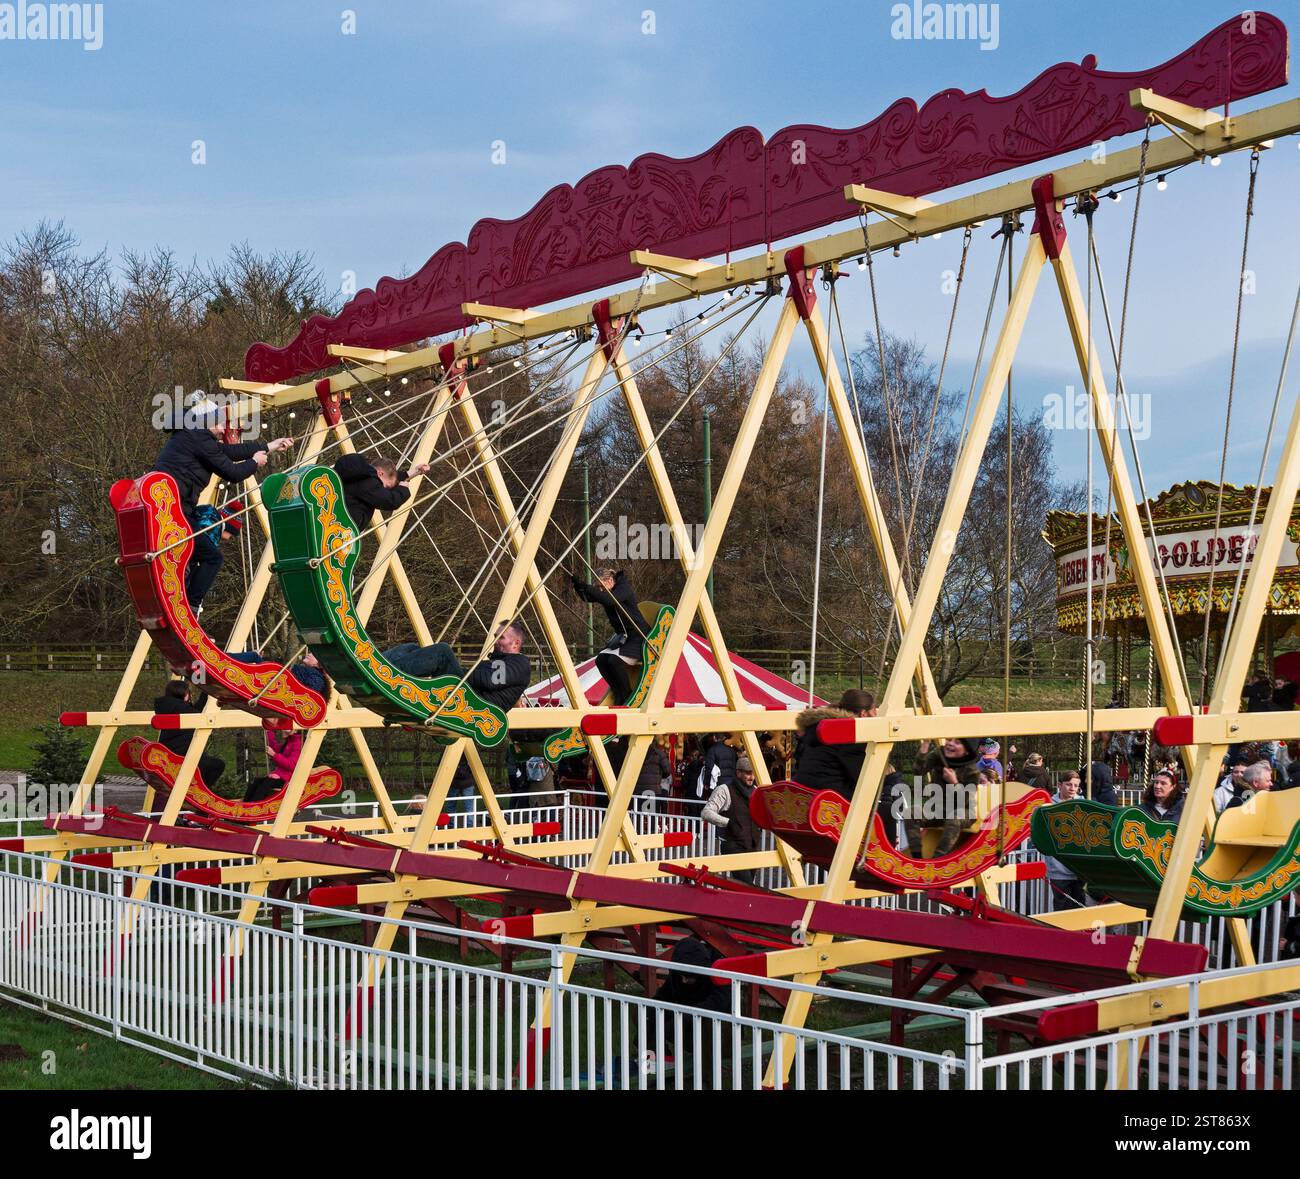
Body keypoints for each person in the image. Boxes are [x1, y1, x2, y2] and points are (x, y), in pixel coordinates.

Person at [153, 403, 293, 607]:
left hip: (169, 508)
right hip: (175, 512)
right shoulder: (199, 438)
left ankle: (181, 594)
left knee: (196, 550)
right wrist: (254, 463)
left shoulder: (190, 435)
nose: (222, 430)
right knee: (213, 558)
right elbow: (233, 473)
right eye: (218, 424)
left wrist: (269, 446)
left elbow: (230, 451)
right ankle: (190, 606)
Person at [383, 622, 531, 711]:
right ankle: (381, 663)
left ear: (516, 643)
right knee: (411, 648)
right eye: (495, 636)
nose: (495, 641)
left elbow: (490, 680)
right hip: (467, 695)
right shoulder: (500, 661)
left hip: (474, 704)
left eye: (501, 637)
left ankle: (387, 673)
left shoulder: (519, 662)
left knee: (443, 651)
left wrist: (458, 670)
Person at [571, 568, 649, 705]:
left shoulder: (623, 589)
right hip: (624, 636)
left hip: (638, 635)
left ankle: (627, 694)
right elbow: (587, 597)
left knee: (614, 661)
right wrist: (578, 586)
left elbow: (609, 601)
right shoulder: (606, 591)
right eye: (598, 587)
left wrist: (588, 587)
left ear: (610, 580)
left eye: (601, 586)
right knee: (601, 660)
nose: (600, 590)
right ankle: (617, 691)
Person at [907, 737, 979, 859]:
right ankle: (917, 857)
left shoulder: (972, 771)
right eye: (949, 740)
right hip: (938, 810)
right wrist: (926, 744)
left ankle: (938, 859)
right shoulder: (938, 754)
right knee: (911, 812)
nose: (950, 744)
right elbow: (918, 771)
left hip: (963, 812)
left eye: (957, 742)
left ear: (966, 751)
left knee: (954, 817)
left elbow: (965, 801)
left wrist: (954, 783)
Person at [152, 680, 225, 787]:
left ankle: (194, 789)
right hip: (179, 759)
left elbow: (196, 710)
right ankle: (197, 791)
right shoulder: (181, 708)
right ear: (185, 694)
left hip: (169, 757)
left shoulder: (169, 707)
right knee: (217, 765)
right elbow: (199, 715)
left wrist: (206, 691)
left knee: (208, 762)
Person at [333, 453, 431, 532]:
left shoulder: (355, 475)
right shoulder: (369, 482)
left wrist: (411, 473)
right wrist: (403, 489)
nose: (383, 489)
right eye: (386, 487)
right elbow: (390, 501)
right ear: (380, 473)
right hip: (342, 527)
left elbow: (390, 478)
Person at [701, 754, 760, 883]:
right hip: (733, 845)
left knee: (746, 885)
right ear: (738, 773)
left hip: (752, 845)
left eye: (753, 773)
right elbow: (706, 812)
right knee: (746, 885)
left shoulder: (755, 790)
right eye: (748, 773)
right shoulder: (724, 790)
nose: (752, 777)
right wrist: (727, 822)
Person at [790, 706, 864, 800]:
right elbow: (861, 780)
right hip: (830, 799)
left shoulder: (811, 738)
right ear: (863, 714)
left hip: (805, 795)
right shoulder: (847, 736)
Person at [1042, 772, 1087, 911]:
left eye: (1076, 786)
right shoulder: (1049, 805)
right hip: (1058, 866)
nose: (1072, 788)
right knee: (1062, 905)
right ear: (1059, 785)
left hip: (1078, 866)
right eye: (1068, 784)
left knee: (1080, 904)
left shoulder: (1083, 804)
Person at [244, 727, 303, 803]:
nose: (282, 730)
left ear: (294, 730)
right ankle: (246, 804)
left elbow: (292, 766)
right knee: (256, 781)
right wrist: (269, 731)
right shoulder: (289, 741)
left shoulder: (297, 743)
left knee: (267, 783)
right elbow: (276, 749)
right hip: (283, 776)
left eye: (285, 730)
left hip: (289, 778)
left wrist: (274, 755)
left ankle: (254, 805)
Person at [697, 732, 738, 800]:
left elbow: (709, 768)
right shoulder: (731, 750)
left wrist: (706, 783)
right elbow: (734, 767)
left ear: (714, 737)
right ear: (724, 738)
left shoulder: (712, 750)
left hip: (718, 783)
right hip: (730, 783)